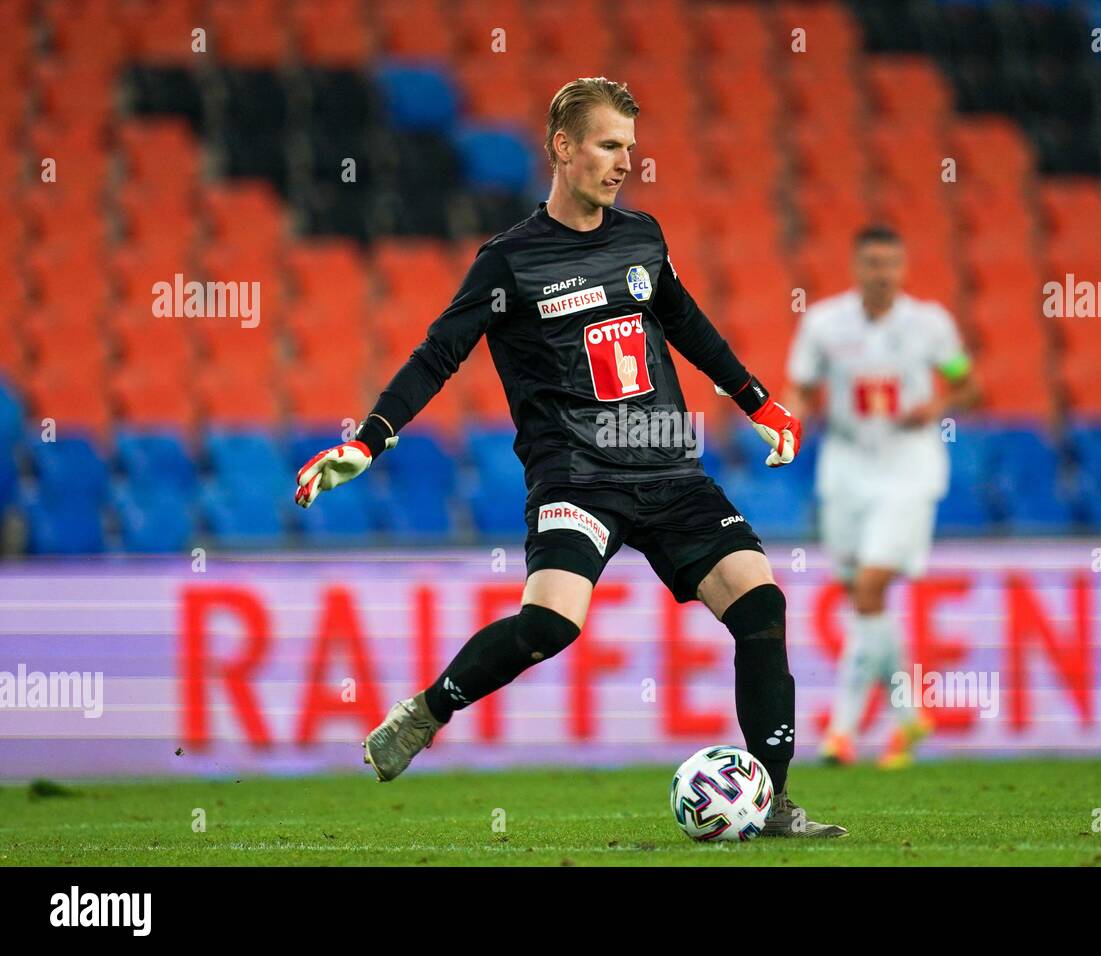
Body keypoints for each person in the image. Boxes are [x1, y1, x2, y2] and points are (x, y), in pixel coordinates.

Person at [294, 77, 845, 837]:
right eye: (609, 145)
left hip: (665, 461)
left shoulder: (642, 239)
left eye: (630, 148)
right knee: (551, 625)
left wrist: (758, 403)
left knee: (761, 604)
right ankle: (426, 711)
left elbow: (688, 325)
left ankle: (775, 804)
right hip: (577, 477)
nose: (623, 163)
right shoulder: (509, 263)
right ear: (562, 147)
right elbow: (436, 356)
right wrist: (368, 438)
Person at [785, 225, 979, 769]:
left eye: (891, 263)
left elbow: (968, 382)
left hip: (908, 466)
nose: (882, 273)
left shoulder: (930, 324)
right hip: (846, 466)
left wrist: (939, 403)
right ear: (856, 266)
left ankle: (841, 731)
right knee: (862, 598)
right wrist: (791, 413)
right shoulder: (823, 323)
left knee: (870, 585)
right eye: (872, 263)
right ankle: (909, 715)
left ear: (904, 267)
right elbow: (799, 382)